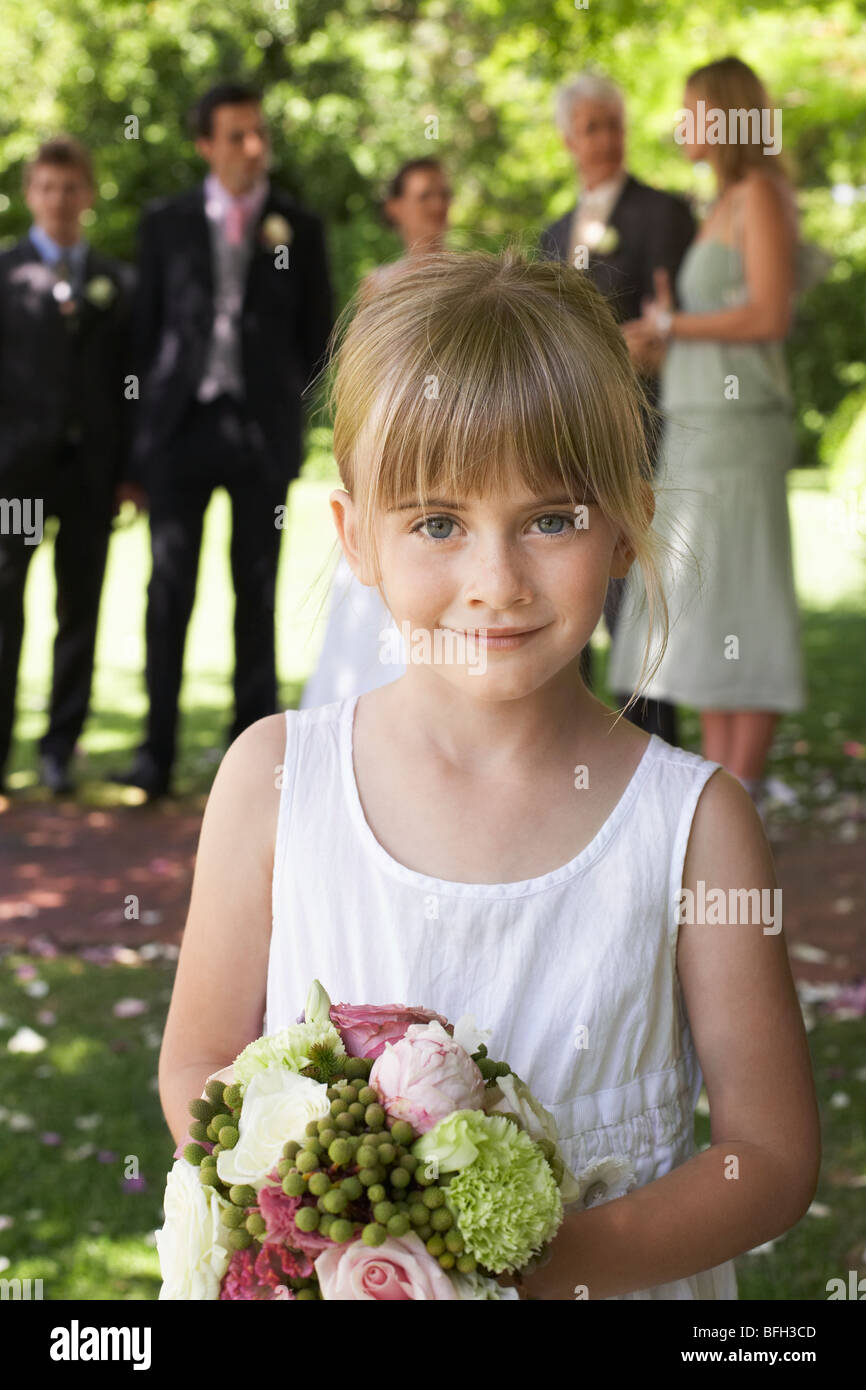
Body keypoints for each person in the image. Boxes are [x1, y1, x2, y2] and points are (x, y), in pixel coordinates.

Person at [159, 248, 819, 1299]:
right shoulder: (275, 779)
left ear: (623, 523)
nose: (494, 581)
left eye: (551, 518)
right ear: (355, 536)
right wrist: (311, 1218)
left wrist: (497, 1274)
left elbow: (770, 1160)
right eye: (436, 523)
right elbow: (197, 1065)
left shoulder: (691, 823)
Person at [112, 82, 334, 797]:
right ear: (205, 144)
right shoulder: (164, 223)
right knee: (169, 587)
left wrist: (292, 418)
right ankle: (156, 755)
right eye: (236, 135)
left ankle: (254, 760)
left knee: (257, 589)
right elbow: (143, 334)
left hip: (259, 433)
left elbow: (318, 336)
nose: (253, 147)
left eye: (258, 133)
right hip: (180, 430)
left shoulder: (298, 225)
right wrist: (135, 449)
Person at [611, 56, 807, 798]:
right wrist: (660, 339)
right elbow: (710, 328)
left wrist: (673, 322)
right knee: (713, 611)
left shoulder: (761, 195)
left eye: (694, 110)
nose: (681, 125)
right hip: (699, 428)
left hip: (740, 430)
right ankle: (727, 796)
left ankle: (745, 796)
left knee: (746, 606)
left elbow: (767, 314)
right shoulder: (721, 203)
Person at [540, 73, 695, 746]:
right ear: (568, 138)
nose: (607, 139)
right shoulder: (551, 234)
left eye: (615, 124)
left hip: (643, 430)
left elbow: (676, 320)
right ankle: (573, 747)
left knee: (638, 595)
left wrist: (645, 343)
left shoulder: (664, 212)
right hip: (564, 442)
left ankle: (653, 752)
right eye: (593, 127)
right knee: (571, 588)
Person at [0, 136, 135, 796]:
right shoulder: (4, 274)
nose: (58, 200)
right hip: (15, 479)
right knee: (5, 611)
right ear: (31, 194)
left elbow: (131, 380)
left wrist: (128, 469)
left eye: (70, 187)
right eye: (46, 187)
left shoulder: (118, 280)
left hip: (91, 477)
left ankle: (60, 750)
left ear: (88, 193)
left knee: (80, 610)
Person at [301, 157, 452, 709]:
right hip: (399, 450)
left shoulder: (474, 277)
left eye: (442, 194)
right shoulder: (380, 286)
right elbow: (361, 383)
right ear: (395, 209)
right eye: (423, 195)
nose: (436, 206)